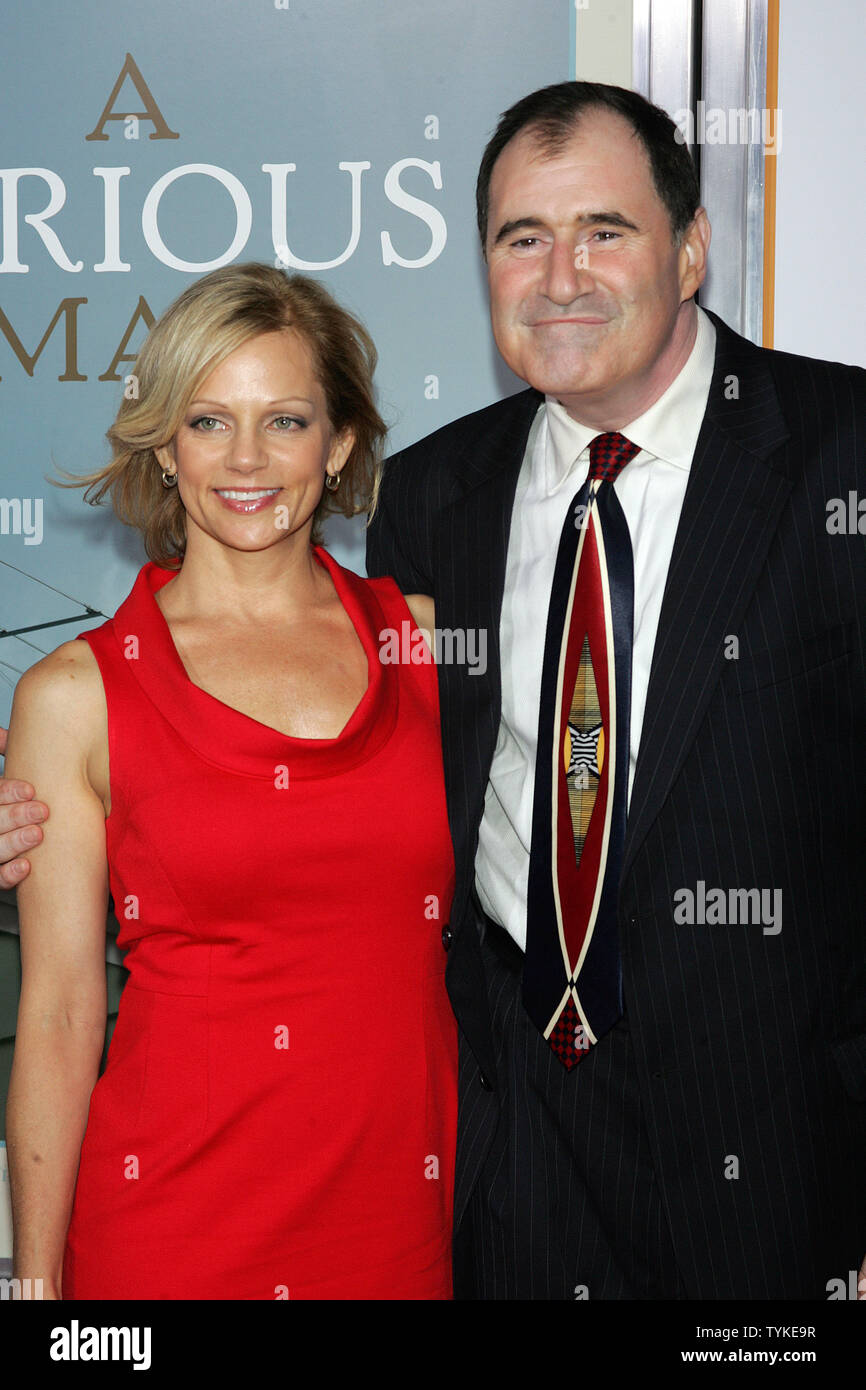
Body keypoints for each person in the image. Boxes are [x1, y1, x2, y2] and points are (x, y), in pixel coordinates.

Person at [365, 82, 866, 1299]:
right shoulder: (429, 497)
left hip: (786, 1151)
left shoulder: (840, 448)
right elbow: (374, 778)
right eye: (519, 237)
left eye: (604, 230)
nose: (558, 277)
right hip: (523, 1136)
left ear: (690, 248)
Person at [3, 263, 456, 1300]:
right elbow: (64, 1010)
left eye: (285, 419)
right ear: (165, 444)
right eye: (208, 421)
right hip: (170, 1238)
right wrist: (35, 1288)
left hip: (401, 1232)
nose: (245, 459)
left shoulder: (429, 648)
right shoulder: (74, 696)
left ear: (338, 443)